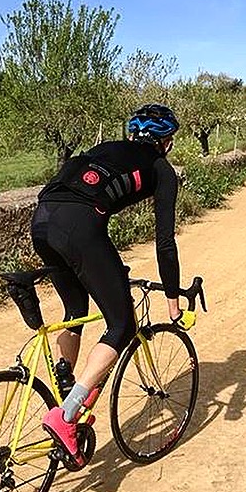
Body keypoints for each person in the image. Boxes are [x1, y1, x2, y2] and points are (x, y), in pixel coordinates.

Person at [30, 104, 188, 466]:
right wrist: (174, 300)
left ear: (132, 134)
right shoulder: (161, 169)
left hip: (41, 220)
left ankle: (65, 383)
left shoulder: (105, 151)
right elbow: (164, 241)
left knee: (75, 309)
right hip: (80, 227)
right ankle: (66, 417)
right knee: (122, 325)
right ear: (166, 142)